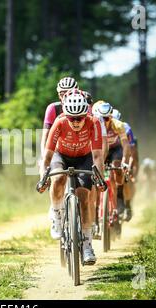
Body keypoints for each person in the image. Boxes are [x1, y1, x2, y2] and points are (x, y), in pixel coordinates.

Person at [40, 91, 105, 265]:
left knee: (84, 197)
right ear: (66, 116)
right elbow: (47, 156)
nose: (76, 122)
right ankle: (56, 215)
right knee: (58, 178)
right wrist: (43, 176)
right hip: (60, 156)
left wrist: (99, 177)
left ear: (86, 114)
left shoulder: (94, 123)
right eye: (72, 118)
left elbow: (98, 155)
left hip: (84, 158)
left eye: (80, 118)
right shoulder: (59, 122)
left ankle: (87, 246)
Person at [92, 101, 131, 231]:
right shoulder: (93, 124)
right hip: (99, 151)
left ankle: (117, 202)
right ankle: (96, 217)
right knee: (96, 182)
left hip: (115, 150)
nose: (105, 121)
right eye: (102, 118)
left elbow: (126, 145)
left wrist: (125, 161)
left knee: (116, 169)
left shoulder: (118, 125)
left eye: (108, 118)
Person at [112, 109, 138, 221]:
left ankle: (127, 205)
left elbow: (133, 155)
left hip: (125, 152)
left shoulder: (126, 129)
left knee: (125, 178)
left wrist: (130, 169)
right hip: (111, 153)